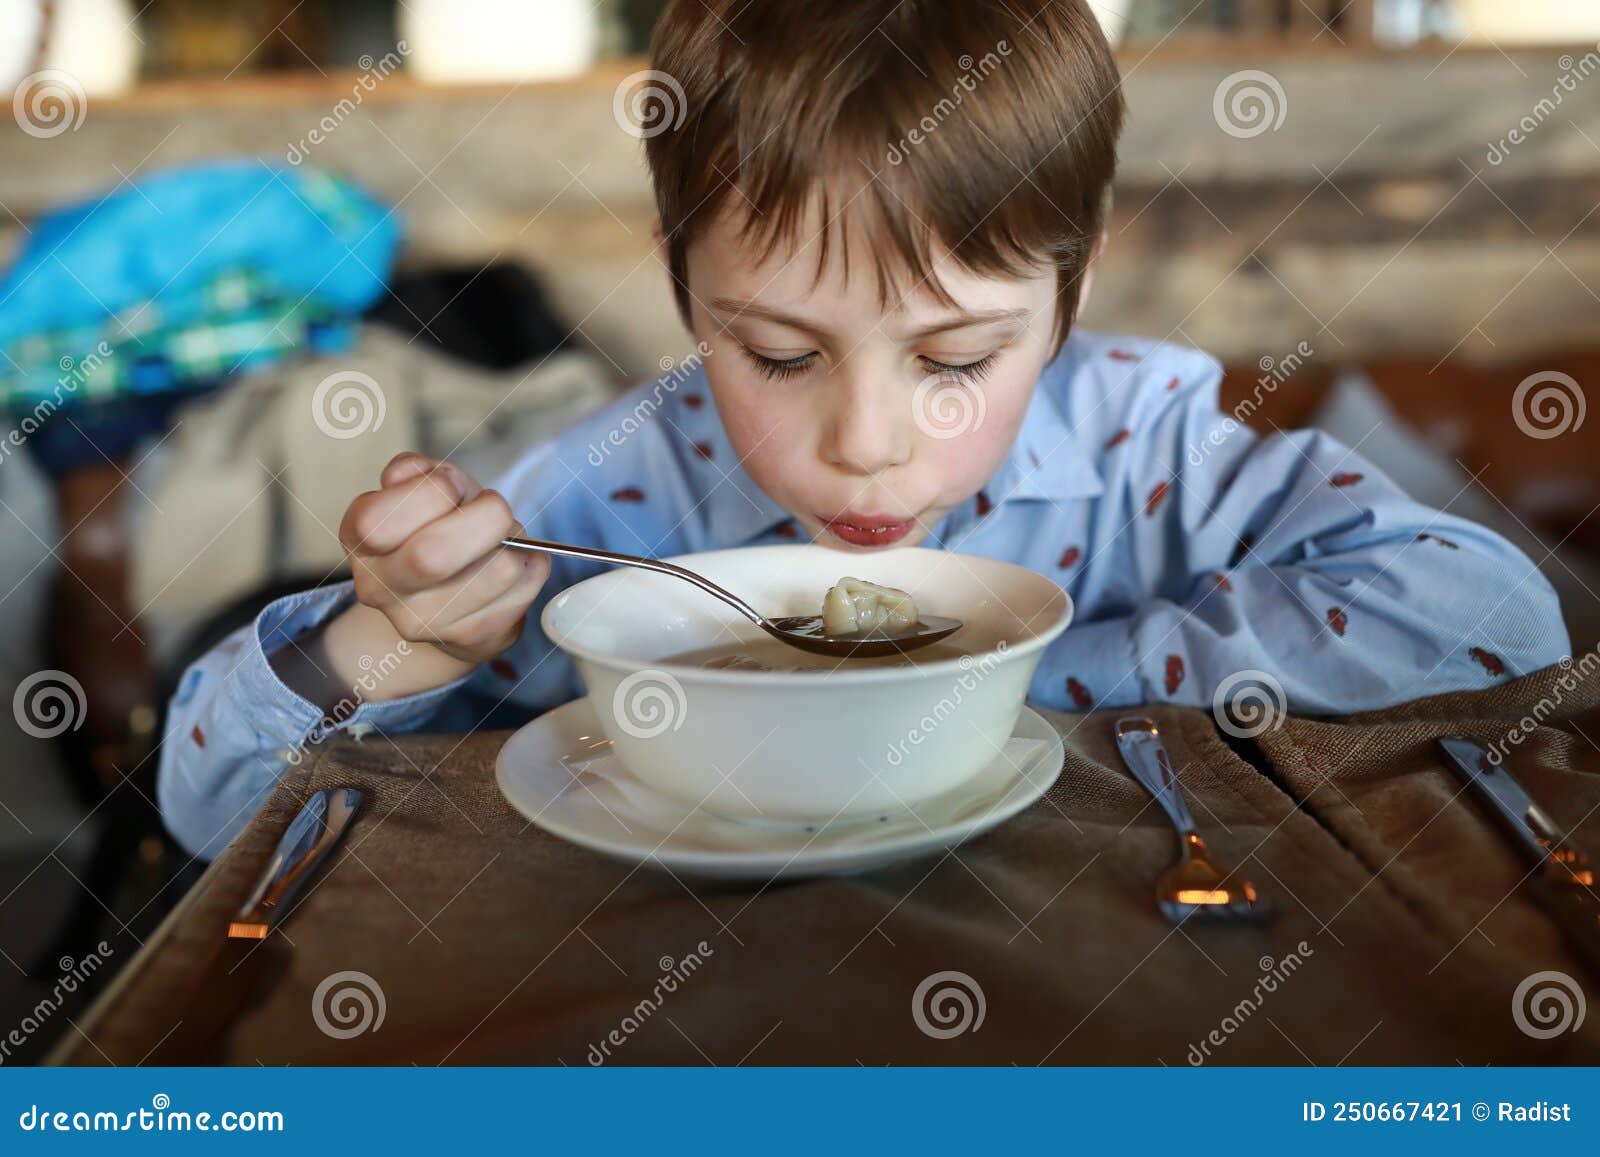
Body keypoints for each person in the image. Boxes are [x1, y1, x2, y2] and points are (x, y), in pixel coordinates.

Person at [158, 0, 1569, 858]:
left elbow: (1497, 622)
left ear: (1069, 290)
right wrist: (390, 646)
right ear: (684, 292)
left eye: (956, 356)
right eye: (780, 355)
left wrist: (1000, 684)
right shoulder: (606, 496)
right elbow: (212, 807)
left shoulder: (1152, 448)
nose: (868, 442)